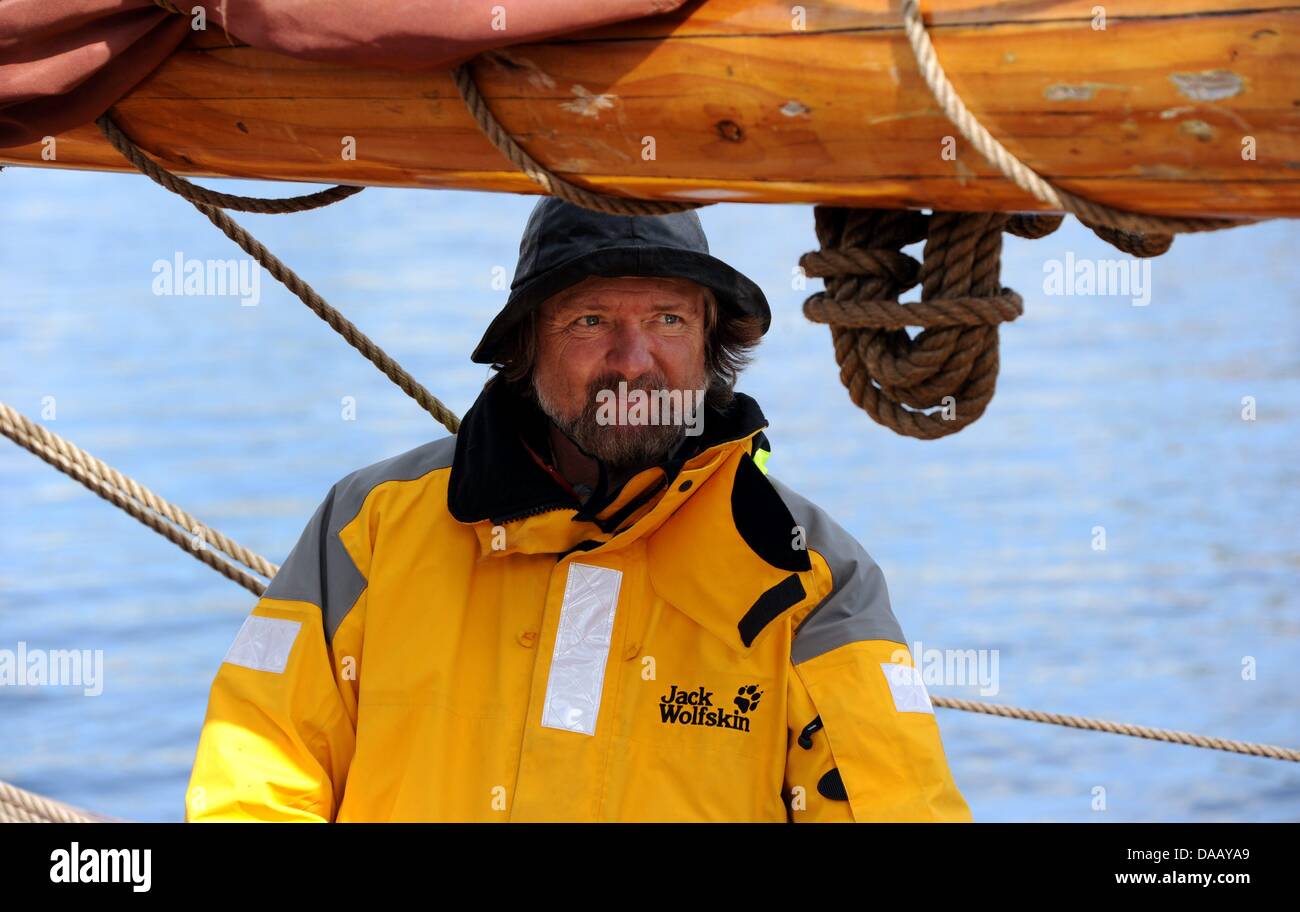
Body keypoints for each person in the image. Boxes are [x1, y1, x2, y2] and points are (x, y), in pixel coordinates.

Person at [184, 196, 972, 822]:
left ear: (709, 346)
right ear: (527, 345)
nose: (632, 362)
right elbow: (259, 772)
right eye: (591, 321)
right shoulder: (369, 527)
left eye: (667, 320)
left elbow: (894, 809)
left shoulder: (808, 577)